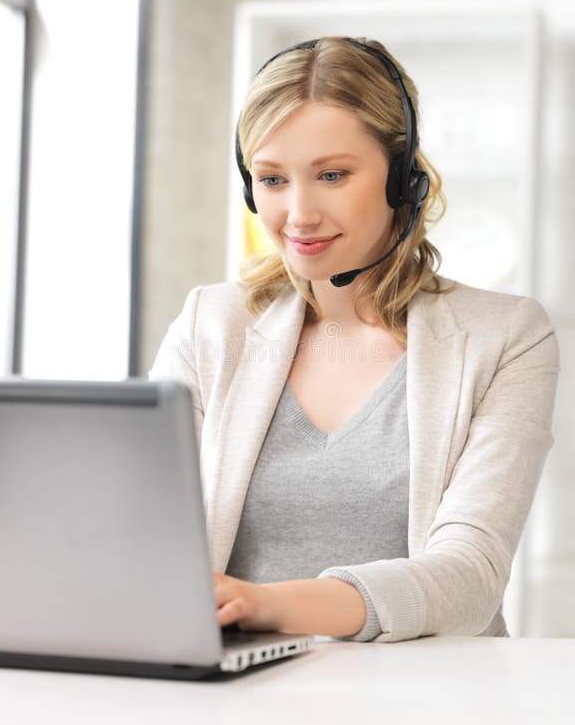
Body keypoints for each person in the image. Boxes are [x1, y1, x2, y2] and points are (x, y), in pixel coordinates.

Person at [149, 36, 559, 642]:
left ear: (403, 179)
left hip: (430, 688)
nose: (299, 214)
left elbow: (470, 579)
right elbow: (145, 530)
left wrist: (265, 604)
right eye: (272, 179)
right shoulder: (210, 324)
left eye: (332, 175)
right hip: (234, 683)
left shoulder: (506, 337)